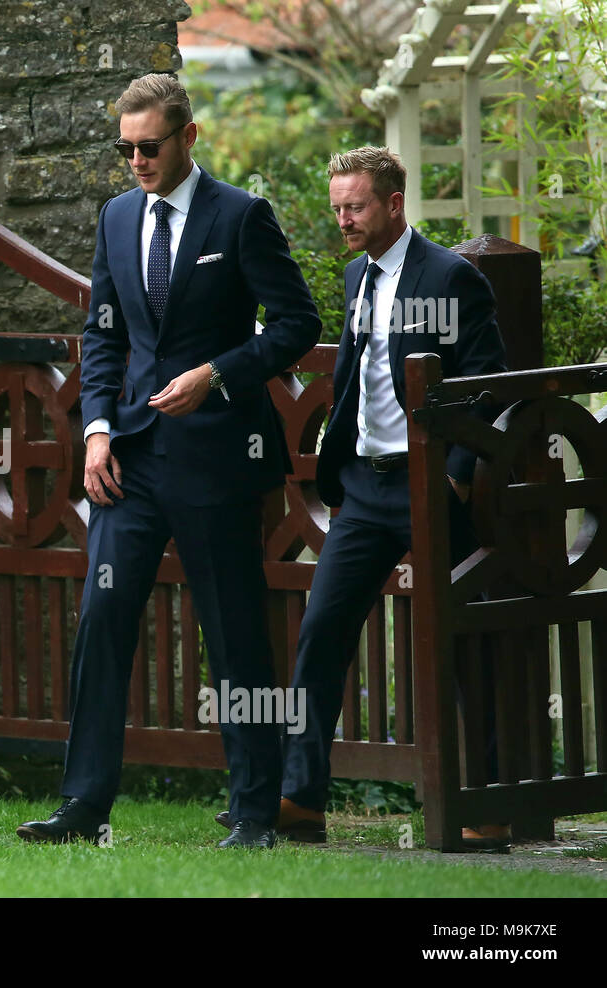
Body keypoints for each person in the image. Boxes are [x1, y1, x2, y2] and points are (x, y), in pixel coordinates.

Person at [16, 74, 321, 849]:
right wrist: (93, 432)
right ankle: (84, 805)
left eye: (149, 147)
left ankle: (255, 811)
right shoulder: (117, 218)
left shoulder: (242, 215)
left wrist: (217, 374)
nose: (136, 162)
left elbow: (295, 324)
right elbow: (106, 337)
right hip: (131, 461)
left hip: (219, 459)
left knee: (236, 633)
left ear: (189, 138)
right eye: (125, 149)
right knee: (103, 619)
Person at [236, 146, 508, 848]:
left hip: (431, 485)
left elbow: (488, 382)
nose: (343, 219)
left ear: (393, 203)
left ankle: (486, 807)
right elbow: (359, 372)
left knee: (463, 640)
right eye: (336, 207)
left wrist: (452, 471)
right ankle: (302, 800)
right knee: (322, 633)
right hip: (363, 486)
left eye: (354, 206)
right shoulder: (358, 275)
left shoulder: (452, 276)